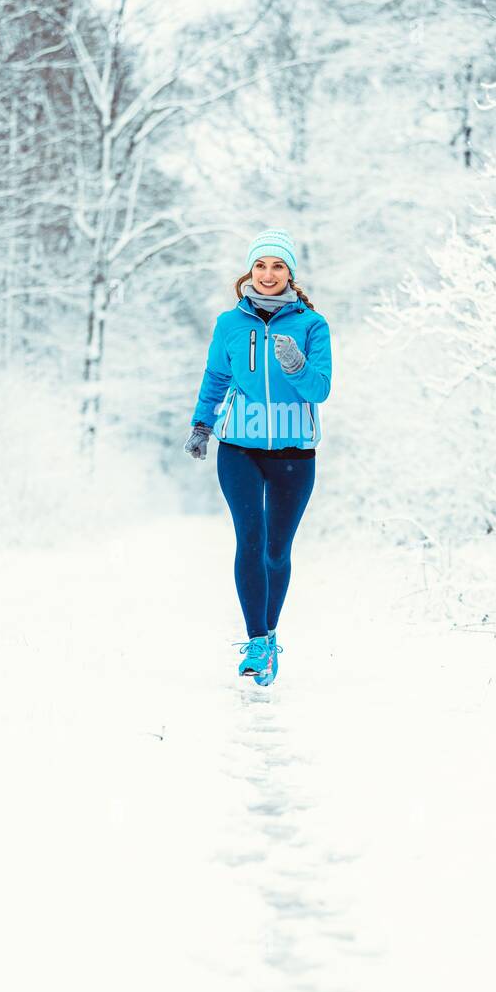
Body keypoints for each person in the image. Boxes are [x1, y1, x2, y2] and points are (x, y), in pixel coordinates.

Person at [184, 229, 332, 686]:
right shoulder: (230, 324)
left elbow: (320, 389)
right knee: (249, 538)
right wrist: (202, 425)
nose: (268, 275)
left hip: (295, 452)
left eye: (278, 266)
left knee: (276, 549)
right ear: (250, 271)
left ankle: (270, 633)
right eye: (261, 266)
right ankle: (257, 643)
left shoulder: (311, 325)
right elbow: (216, 375)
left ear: (290, 273)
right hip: (240, 448)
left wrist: (296, 365)